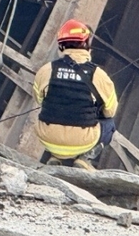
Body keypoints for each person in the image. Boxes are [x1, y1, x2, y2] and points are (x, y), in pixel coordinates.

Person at [33, 19, 118, 170]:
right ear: (87, 45)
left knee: (52, 110)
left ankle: (55, 157)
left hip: (47, 138)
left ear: (61, 45)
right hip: (83, 142)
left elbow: (39, 100)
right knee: (109, 124)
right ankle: (85, 159)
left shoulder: (46, 70)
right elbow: (110, 111)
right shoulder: (98, 75)